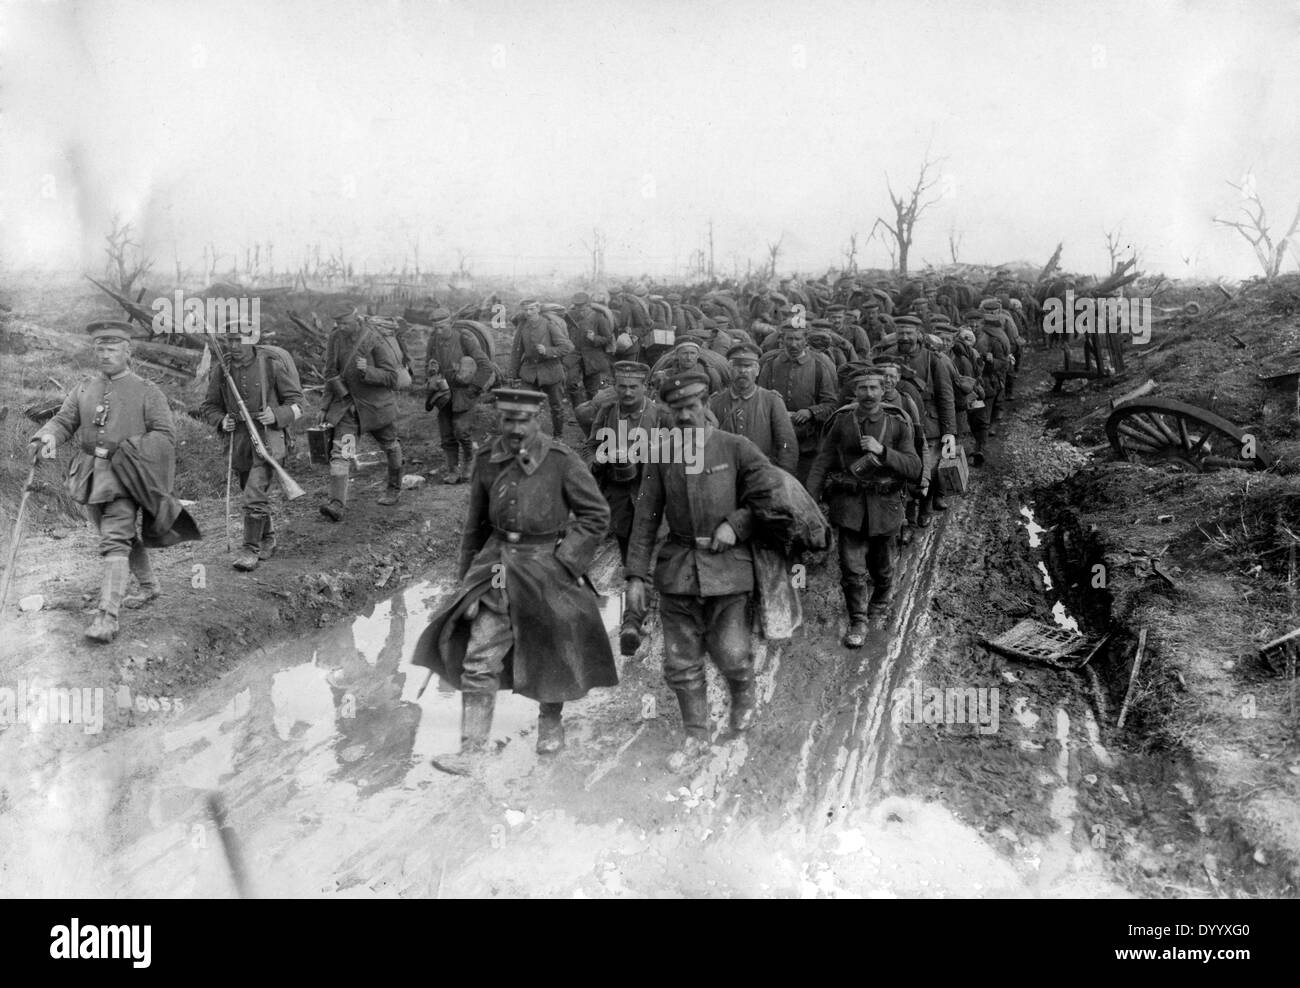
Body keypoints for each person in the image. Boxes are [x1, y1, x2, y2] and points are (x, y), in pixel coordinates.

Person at [413, 388, 616, 774]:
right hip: (497, 567)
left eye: (523, 420)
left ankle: (550, 723)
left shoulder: (561, 460)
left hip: (547, 568)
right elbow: (474, 526)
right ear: (500, 420)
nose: (516, 428)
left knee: (553, 651)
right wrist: (464, 580)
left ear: (537, 419)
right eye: (509, 420)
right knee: (478, 656)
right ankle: (472, 749)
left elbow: (596, 516)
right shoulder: (488, 459)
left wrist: (566, 561)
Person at [624, 369, 772, 765]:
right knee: (681, 661)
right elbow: (646, 516)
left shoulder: (735, 447)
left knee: (732, 653)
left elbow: (770, 496)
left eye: (691, 407)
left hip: (729, 570)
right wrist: (635, 574)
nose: (685, 416)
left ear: (706, 405)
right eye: (676, 410)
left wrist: (736, 524)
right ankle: (695, 736)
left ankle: (743, 697)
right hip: (679, 570)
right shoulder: (662, 453)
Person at [30, 320, 195, 642]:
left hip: (127, 478)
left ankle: (107, 617)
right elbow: (64, 421)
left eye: (112, 348)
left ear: (127, 351)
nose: (105, 354)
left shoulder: (148, 391)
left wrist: (131, 453)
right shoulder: (83, 389)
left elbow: (165, 435)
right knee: (114, 535)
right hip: (91, 475)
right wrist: (46, 436)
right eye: (100, 348)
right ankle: (149, 586)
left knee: (114, 541)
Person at [805, 367, 921, 645]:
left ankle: (880, 602)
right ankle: (858, 620)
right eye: (862, 388)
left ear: (883, 391)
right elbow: (822, 461)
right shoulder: (842, 422)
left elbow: (914, 467)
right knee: (852, 569)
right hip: (850, 504)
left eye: (873, 388)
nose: (868, 394)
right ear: (854, 392)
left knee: (882, 566)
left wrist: (884, 452)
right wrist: (810, 499)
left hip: (885, 505)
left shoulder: (897, 423)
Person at [581, 361, 675, 655]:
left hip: (655, 498)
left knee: (646, 563)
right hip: (619, 498)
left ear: (645, 387)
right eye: (621, 386)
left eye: (633, 386)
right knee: (629, 558)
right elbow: (590, 448)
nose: (627, 392)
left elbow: (680, 457)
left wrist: (647, 458)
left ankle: (633, 621)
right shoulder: (608, 412)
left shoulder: (661, 416)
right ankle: (640, 608)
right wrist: (603, 457)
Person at [199, 323, 304, 570]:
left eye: (239, 340)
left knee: (254, 493)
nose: (234, 346)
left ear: (252, 339)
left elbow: (298, 403)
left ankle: (250, 550)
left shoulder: (270, 365)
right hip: (240, 442)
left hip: (269, 438)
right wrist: (221, 420)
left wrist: (277, 414)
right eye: (230, 341)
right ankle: (268, 538)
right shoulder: (222, 370)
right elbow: (208, 407)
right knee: (251, 488)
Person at [320, 304, 405, 518]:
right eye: (337, 323)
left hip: (377, 408)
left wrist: (367, 371)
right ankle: (336, 504)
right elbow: (330, 373)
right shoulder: (335, 339)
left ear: (356, 320)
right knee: (341, 453)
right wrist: (325, 406)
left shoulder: (373, 339)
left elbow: (392, 377)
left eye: (345, 323)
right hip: (349, 410)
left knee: (390, 446)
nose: (340, 327)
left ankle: (394, 489)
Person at [756, 324, 838, 484]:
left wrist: (810, 412)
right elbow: (759, 398)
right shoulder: (770, 365)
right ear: (782, 340)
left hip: (807, 442)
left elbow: (831, 404)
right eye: (789, 339)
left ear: (806, 341)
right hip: (776, 440)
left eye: (798, 339)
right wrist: (778, 411)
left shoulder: (819, 367)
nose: (793, 344)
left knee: (804, 486)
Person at [425, 308, 494, 484]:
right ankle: (452, 469)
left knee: (462, 431)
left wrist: (474, 389)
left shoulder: (464, 339)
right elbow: (428, 364)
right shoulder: (433, 340)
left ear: (451, 323)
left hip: (464, 393)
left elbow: (485, 366)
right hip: (443, 393)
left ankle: (470, 460)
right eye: (435, 328)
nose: (438, 331)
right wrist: (432, 370)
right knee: (447, 434)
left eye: (442, 327)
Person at [708, 342, 798, 474]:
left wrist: (783, 478)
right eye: (737, 366)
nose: (743, 371)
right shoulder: (716, 402)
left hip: (762, 474)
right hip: (725, 474)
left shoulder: (771, 401)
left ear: (757, 370)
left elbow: (787, 445)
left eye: (748, 366)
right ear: (729, 370)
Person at [508, 299, 573, 436]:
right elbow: (516, 351)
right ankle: (532, 436)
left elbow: (568, 347)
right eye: (525, 310)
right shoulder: (522, 326)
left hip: (551, 370)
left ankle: (558, 436)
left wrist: (548, 351)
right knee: (526, 407)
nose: (528, 312)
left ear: (538, 309)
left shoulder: (549, 324)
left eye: (531, 309)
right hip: (529, 372)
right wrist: (513, 374)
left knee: (556, 407)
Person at [569, 291, 614, 401]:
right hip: (574, 356)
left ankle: (591, 414)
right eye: (577, 306)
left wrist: (594, 338)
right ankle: (579, 411)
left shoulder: (598, 317)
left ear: (588, 304)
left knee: (592, 389)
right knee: (570, 384)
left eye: (582, 306)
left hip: (592, 357)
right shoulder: (570, 316)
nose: (579, 309)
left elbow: (608, 338)